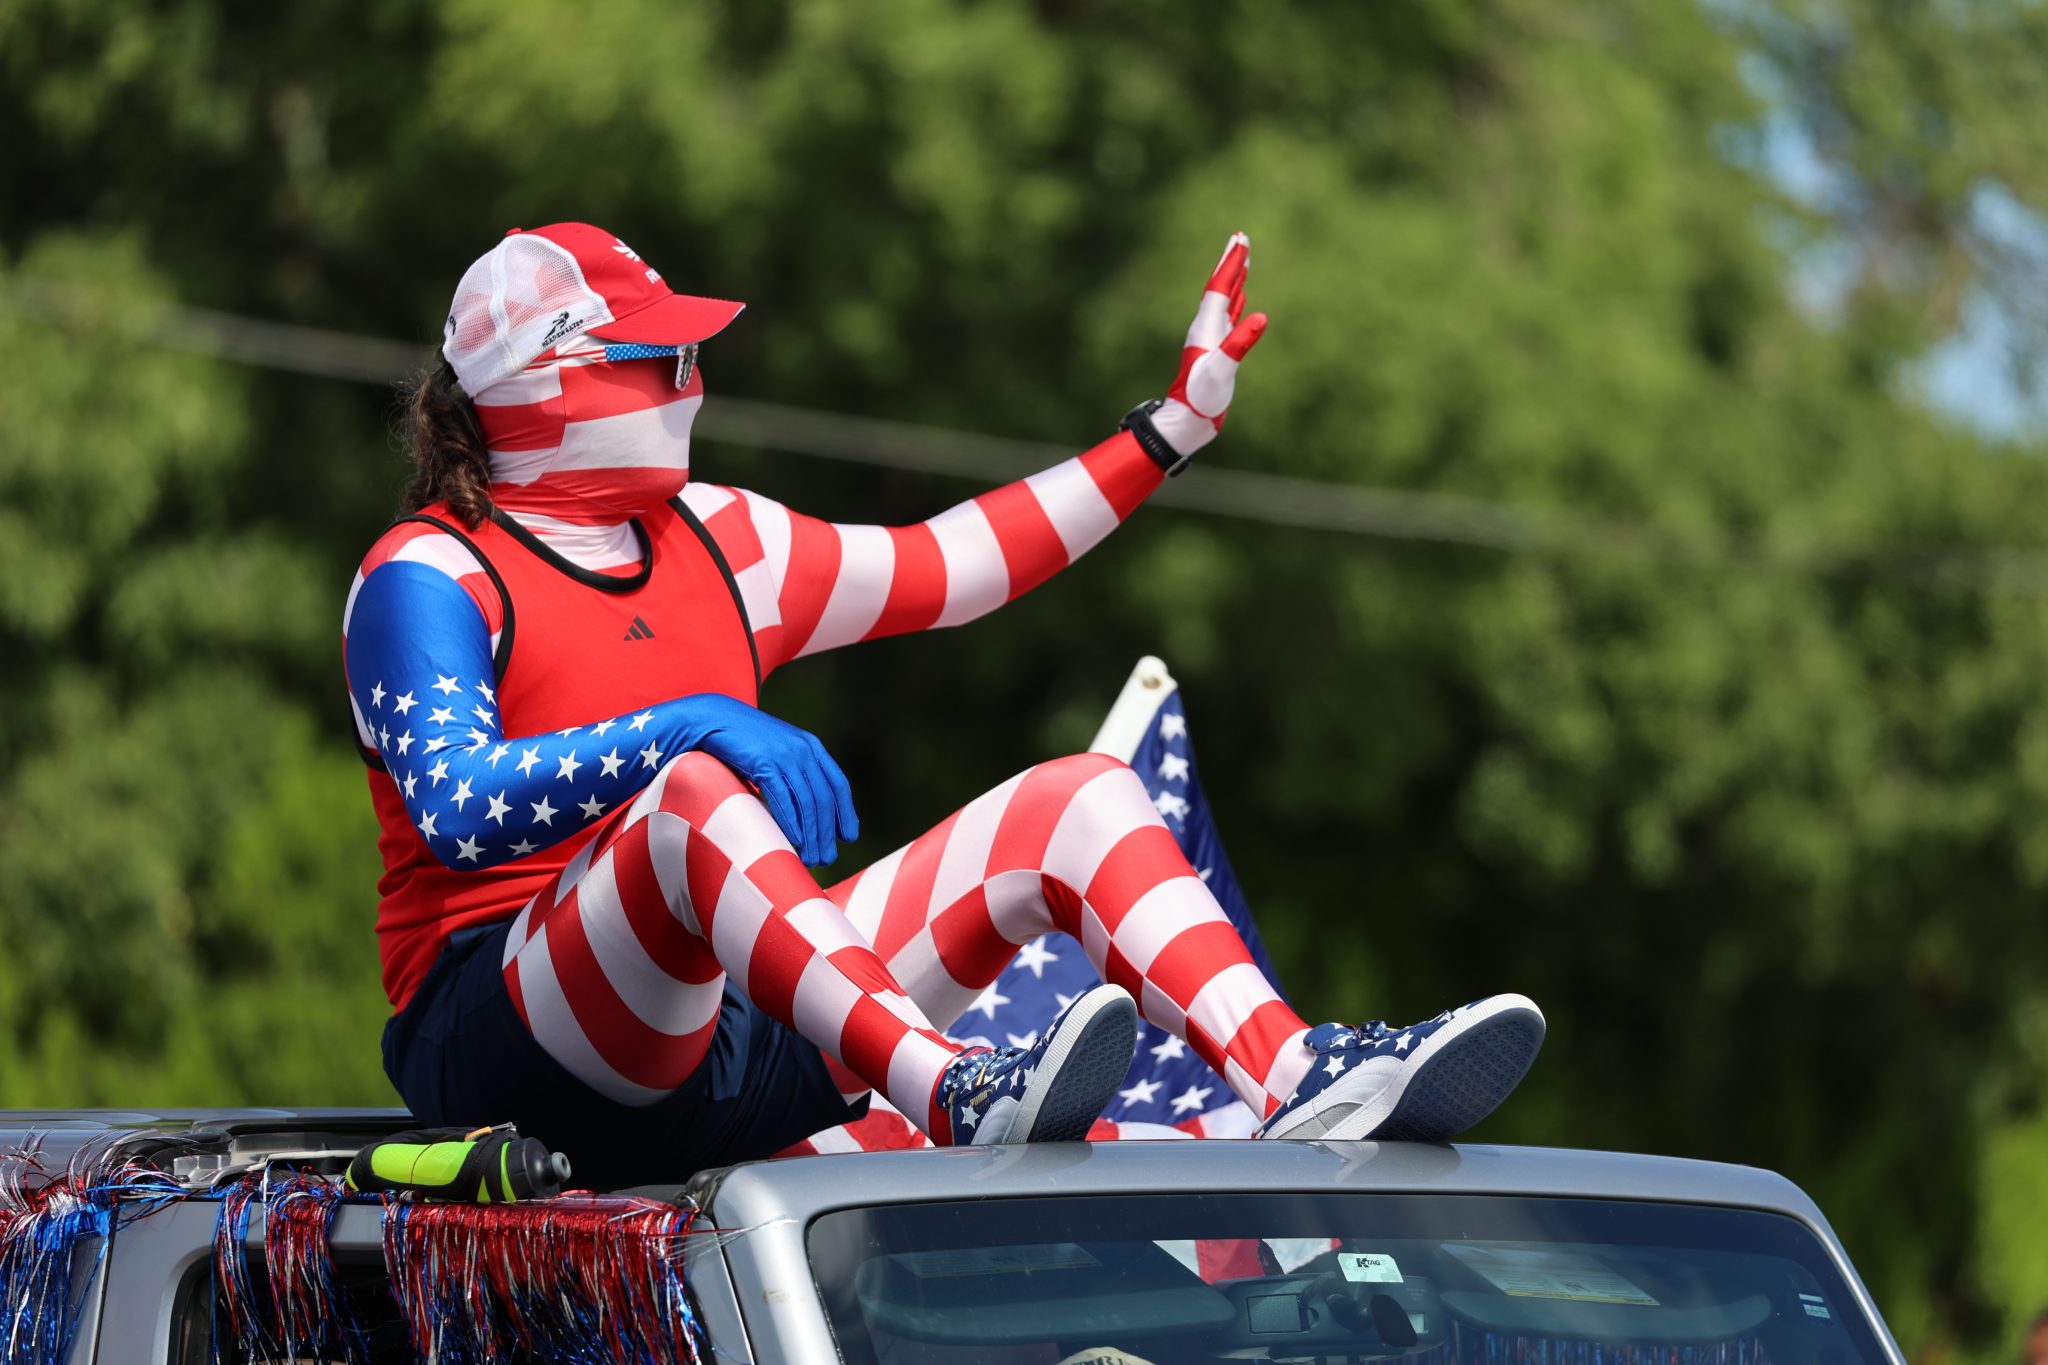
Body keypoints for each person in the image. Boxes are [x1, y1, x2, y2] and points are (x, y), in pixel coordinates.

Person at [344, 222, 1546, 1187]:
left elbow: (953, 566)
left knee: (1079, 798)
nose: (694, 383)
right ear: (552, 381)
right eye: (661, 360)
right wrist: (683, 729)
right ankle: (950, 1085)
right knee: (694, 796)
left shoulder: (722, 539)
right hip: (505, 1049)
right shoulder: (429, 572)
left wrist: (1166, 432)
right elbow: (456, 805)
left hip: (726, 1046)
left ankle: (1289, 1071)